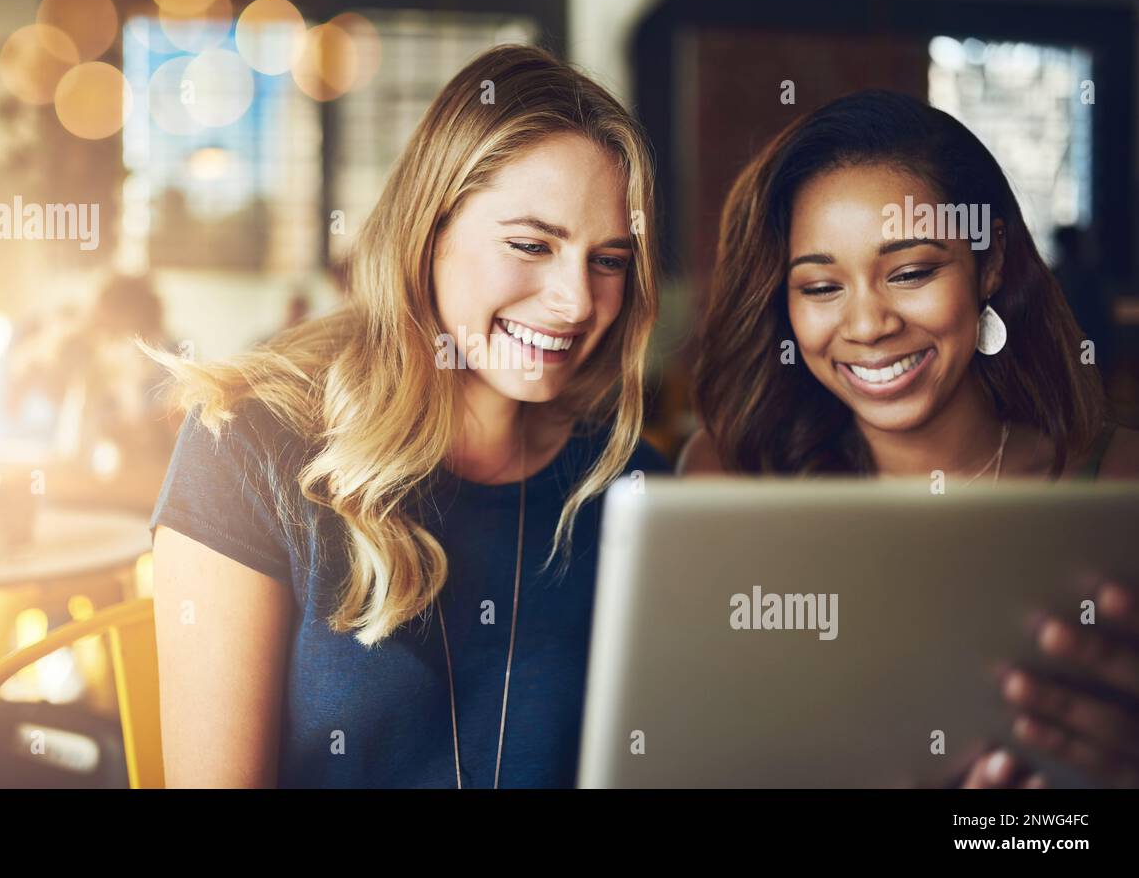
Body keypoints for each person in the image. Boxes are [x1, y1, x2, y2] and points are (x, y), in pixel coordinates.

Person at [144, 44, 669, 788]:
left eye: (609, 259)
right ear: (431, 232)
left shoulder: (632, 484)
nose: (577, 300)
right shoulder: (250, 446)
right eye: (530, 244)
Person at [680, 89, 1139, 787]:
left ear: (989, 266)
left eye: (912, 272)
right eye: (821, 286)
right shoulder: (726, 478)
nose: (867, 324)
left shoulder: (1119, 485)